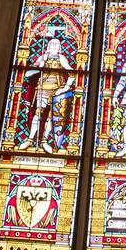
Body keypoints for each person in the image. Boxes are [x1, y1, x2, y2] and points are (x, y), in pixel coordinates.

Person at [18, 24, 75, 153]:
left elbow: (73, 73)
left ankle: (45, 140)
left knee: (52, 117)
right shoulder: (42, 58)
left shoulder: (61, 58)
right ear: (48, 47)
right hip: (42, 89)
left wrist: (65, 88)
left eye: (56, 45)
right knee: (38, 114)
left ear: (60, 48)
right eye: (51, 44)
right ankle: (30, 139)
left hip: (57, 91)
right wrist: (40, 66)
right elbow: (27, 74)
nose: (53, 46)